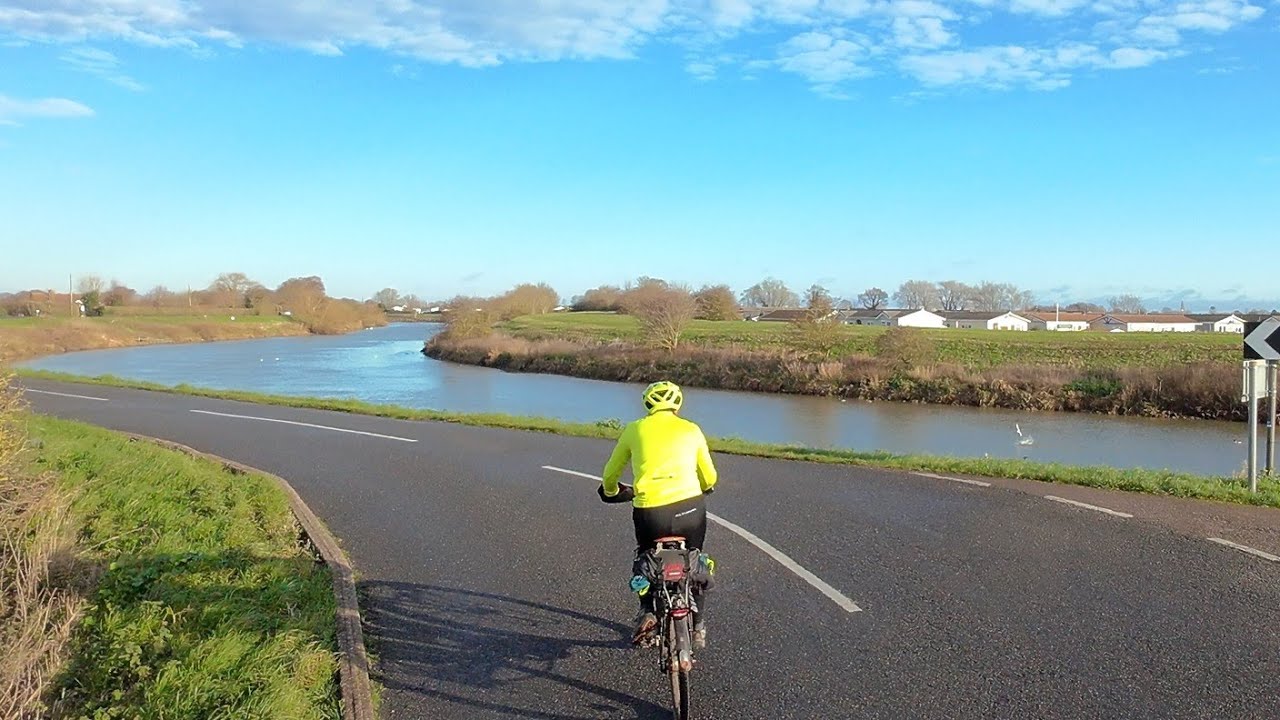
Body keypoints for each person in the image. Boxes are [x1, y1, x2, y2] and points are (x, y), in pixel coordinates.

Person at [600, 380, 717, 648]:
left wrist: (611, 491)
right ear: (678, 403)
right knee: (695, 557)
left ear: (647, 404)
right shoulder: (691, 430)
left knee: (645, 556)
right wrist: (704, 486)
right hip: (690, 509)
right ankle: (698, 624)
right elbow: (710, 476)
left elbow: (610, 475)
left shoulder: (634, 429)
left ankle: (647, 610)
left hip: (650, 512)